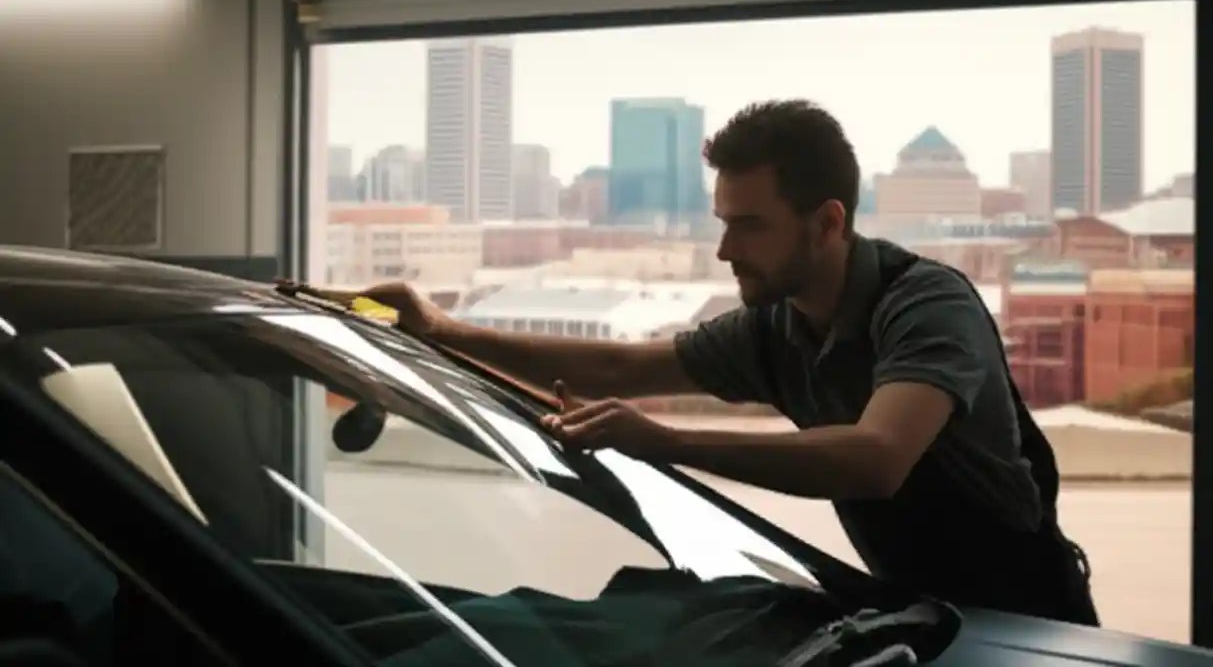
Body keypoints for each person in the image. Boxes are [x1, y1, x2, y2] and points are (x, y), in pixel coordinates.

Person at [312, 99, 1098, 626]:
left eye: (749, 226)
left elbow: (876, 457)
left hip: (1031, 624)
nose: (725, 250)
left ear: (828, 223)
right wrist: (442, 329)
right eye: (723, 222)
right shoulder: (772, 328)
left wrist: (665, 441)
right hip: (917, 615)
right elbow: (621, 370)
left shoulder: (927, 306)